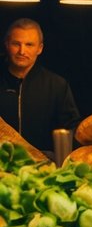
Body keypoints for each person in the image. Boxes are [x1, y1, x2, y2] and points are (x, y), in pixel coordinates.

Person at [0, 18, 80, 152]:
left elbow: (71, 130)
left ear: (40, 48)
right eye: (16, 44)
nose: (22, 51)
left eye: (29, 45)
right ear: (6, 44)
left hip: (45, 167)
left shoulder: (57, 85)